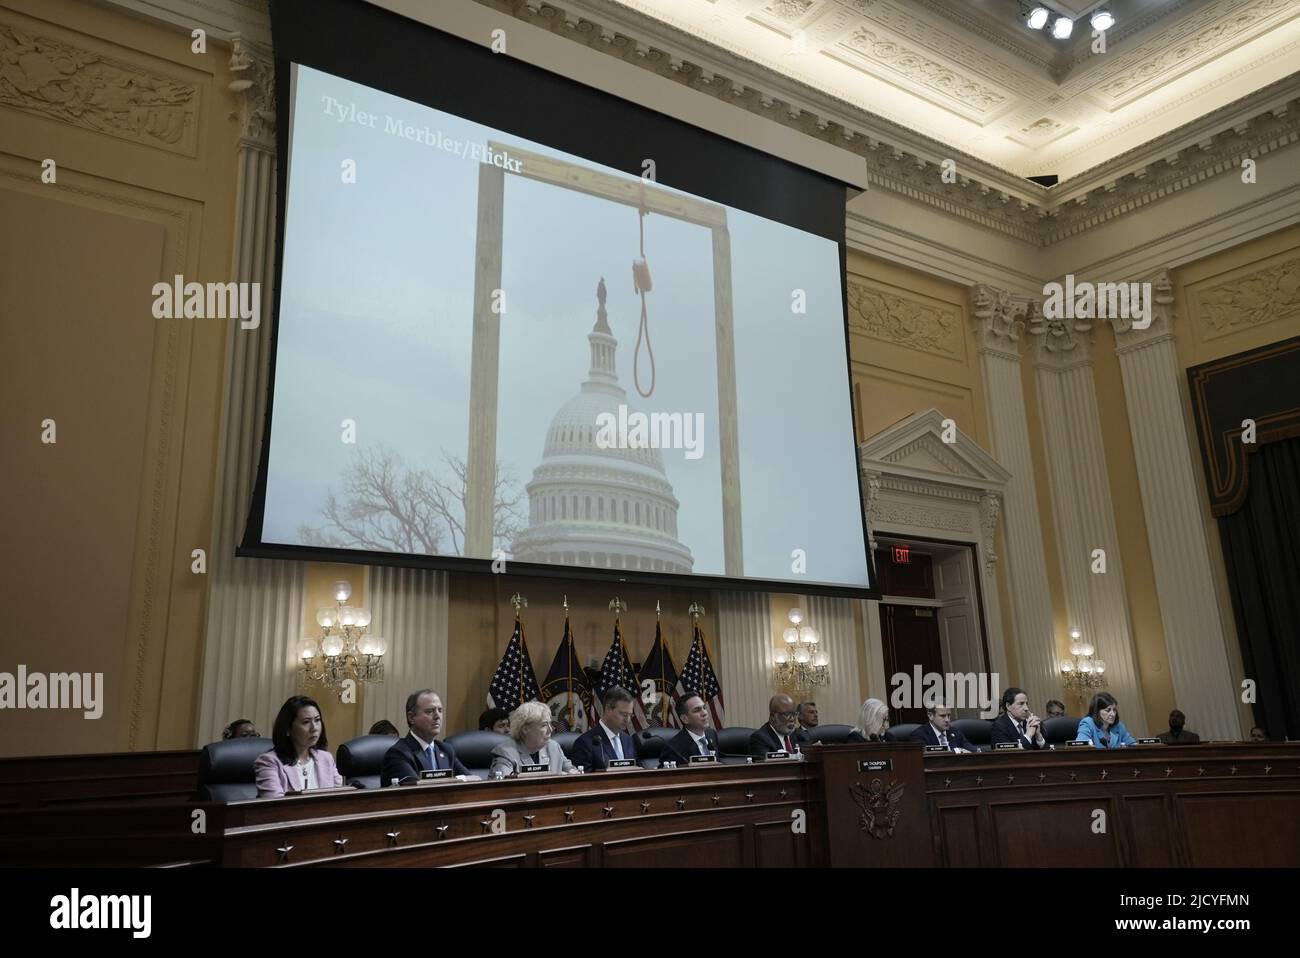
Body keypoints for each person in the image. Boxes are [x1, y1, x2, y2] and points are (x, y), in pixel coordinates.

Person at [253, 695, 342, 798]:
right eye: (306, 722)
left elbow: (339, 800)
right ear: (287, 729)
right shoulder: (269, 762)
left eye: (317, 720)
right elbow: (276, 806)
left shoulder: (326, 758)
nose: (314, 728)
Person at [381, 689, 471, 785]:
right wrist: (456, 780)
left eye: (440, 710)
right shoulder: (398, 754)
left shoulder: (446, 750)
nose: (438, 716)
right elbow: (416, 789)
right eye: (430, 711)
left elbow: (473, 781)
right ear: (411, 717)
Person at [489, 701, 576, 775]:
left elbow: (572, 772)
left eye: (550, 724)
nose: (551, 729)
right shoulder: (506, 752)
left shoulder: (553, 747)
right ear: (526, 729)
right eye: (544, 725)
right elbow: (503, 787)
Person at [571, 686, 639, 770]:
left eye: (630, 715)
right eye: (624, 715)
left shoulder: (628, 741)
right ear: (608, 709)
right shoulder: (585, 743)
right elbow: (583, 781)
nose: (628, 720)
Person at [660, 694, 720, 764]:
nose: (704, 713)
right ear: (685, 719)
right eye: (697, 710)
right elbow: (664, 772)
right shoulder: (673, 748)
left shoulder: (711, 734)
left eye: (704, 708)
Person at [910, 705, 977, 752]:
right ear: (930, 716)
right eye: (943, 716)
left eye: (949, 715)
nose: (947, 720)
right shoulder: (919, 735)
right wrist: (958, 751)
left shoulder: (955, 732)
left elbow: (974, 750)